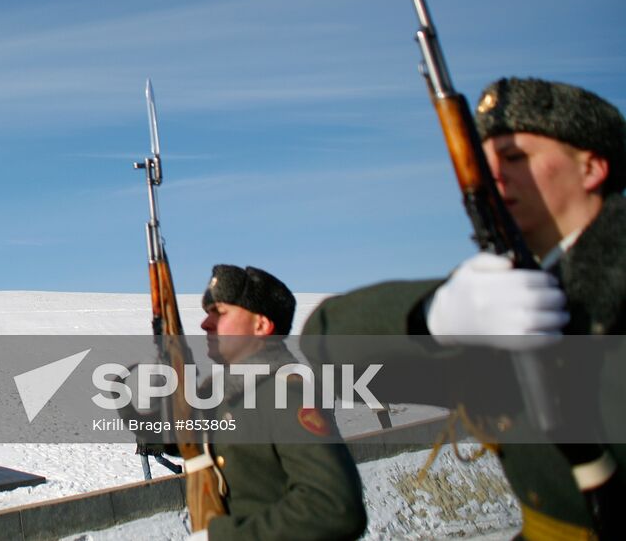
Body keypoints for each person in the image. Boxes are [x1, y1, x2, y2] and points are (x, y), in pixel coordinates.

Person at [303, 77, 626, 537]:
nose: (494, 175)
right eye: (486, 159)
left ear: (591, 168)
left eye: (516, 158)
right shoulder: (496, 304)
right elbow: (326, 347)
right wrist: (434, 318)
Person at [182, 265, 366, 541]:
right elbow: (186, 439)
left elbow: (334, 507)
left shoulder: (285, 393)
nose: (205, 324)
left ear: (261, 325)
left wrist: (223, 537)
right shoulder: (232, 394)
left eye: (219, 313)